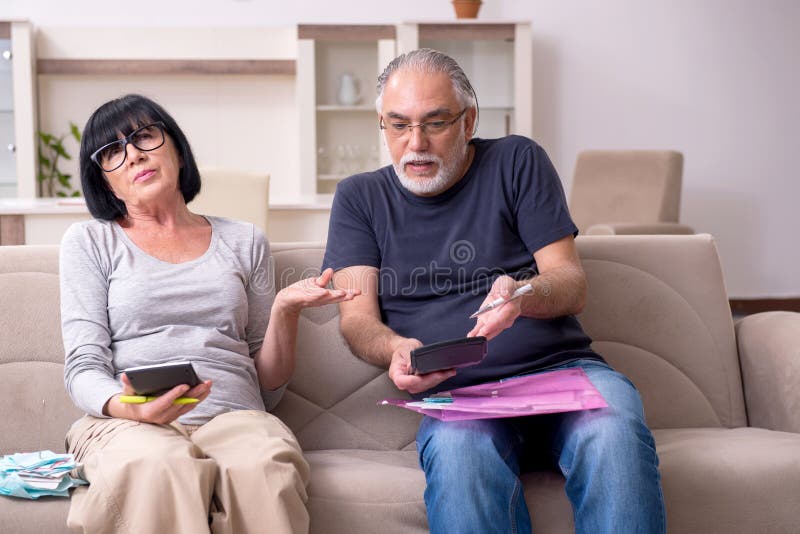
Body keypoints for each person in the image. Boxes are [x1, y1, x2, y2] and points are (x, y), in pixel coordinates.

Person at [322, 49, 665, 533]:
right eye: (398, 126)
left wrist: (522, 294)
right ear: (382, 124)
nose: (415, 144)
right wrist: (396, 348)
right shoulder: (359, 197)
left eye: (435, 123)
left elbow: (570, 283)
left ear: (469, 121)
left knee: (612, 433)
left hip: (560, 370)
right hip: (460, 394)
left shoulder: (517, 161)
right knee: (460, 452)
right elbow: (356, 320)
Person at [60, 94, 358, 534]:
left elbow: (268, 392)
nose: (134, 154)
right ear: (105, 183)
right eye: (112, 152)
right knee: (159, 466)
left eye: (145, 136)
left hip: (234, 416)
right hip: (127, 422)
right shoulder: (89, 243)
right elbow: (82, 366)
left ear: (176, 149)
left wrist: (284, 310)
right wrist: (126, 407)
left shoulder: (245, 240)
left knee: (264, 466)